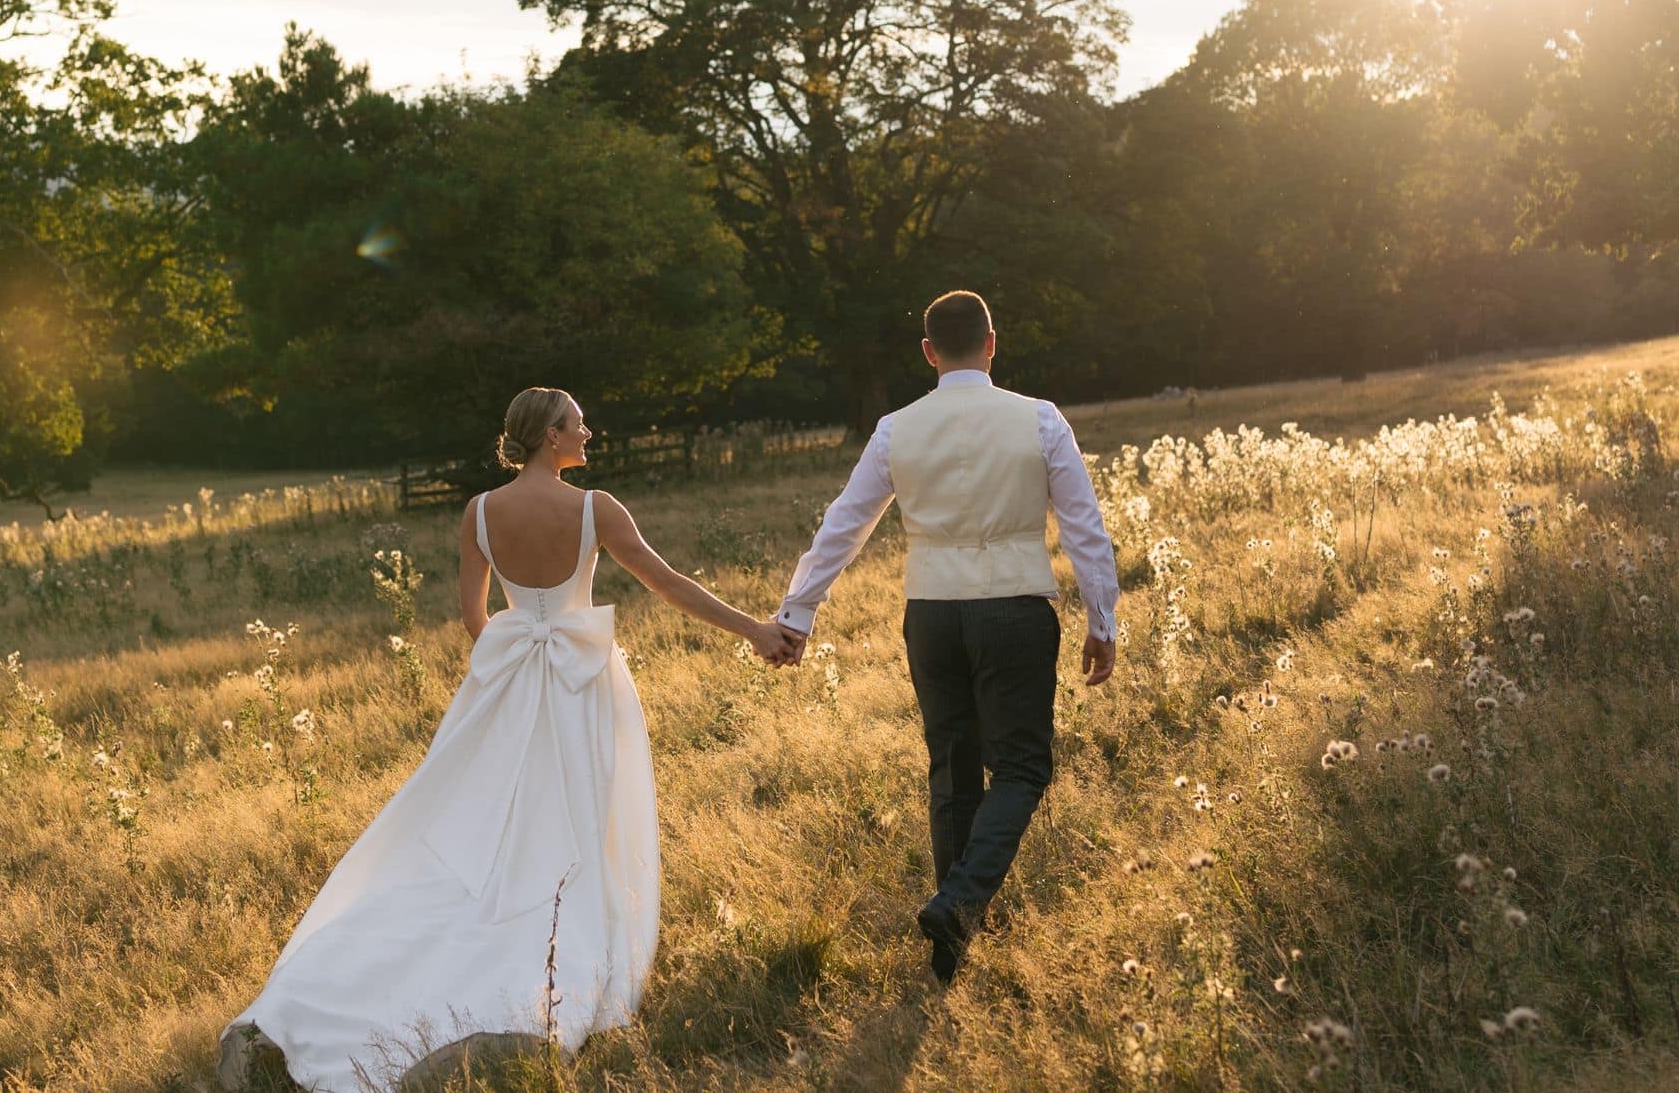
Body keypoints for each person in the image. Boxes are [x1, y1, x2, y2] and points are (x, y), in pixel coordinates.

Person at [220, 387, 800, 1090]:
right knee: (580, 817)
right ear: (552, 435)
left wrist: (518, 658)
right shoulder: (596, 509)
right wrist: (754, 630)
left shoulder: (479, 512)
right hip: (584, 684)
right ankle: (557, 942)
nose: (588, 432)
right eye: (578, 424)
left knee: (489, 815)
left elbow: (474, 615)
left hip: (507, 683)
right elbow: (668, 584)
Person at [773, 290, 1121, 983]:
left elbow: (845, 524)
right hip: (1015, 608)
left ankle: (949, 949)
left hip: (931, 613)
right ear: (992, 343)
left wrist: (797, 612)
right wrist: (1101, 619)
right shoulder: (1039, 419)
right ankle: (959, 902)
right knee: (1021, 768)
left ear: (929, 352)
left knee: (953, 767)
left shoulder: (895, 429)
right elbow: (1084, 526)